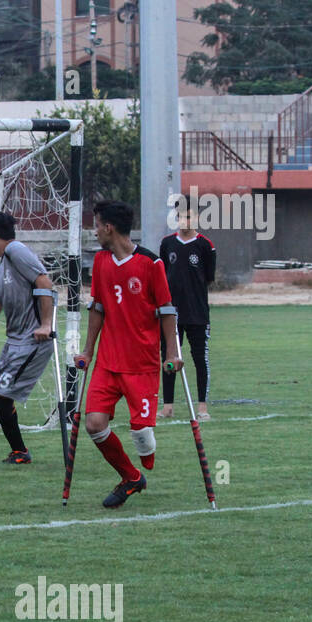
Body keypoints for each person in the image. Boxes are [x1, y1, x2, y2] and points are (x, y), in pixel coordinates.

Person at [75, 200, 182, 509]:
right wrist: (88, 351)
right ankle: (130, 477)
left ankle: (140, 468)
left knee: (144, 439)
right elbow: (98, 307)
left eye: (96, 225)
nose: (94, 232)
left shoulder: (151, 264)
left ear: (109, 227)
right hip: (108, 362)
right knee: (94, 424)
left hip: (142, 364)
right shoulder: (100, 262)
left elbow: (166, 311)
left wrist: (172, 353)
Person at [0, 211, 57, 464]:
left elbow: (44, 282)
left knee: (0, 397)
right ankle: (19, 452)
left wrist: (46, 325)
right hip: (14, 342)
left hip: (33, 341)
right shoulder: (3, 263)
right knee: (0, 397)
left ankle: (21, 452)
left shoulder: (17, 251)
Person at [159, 210, 215, 421]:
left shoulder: (205, 245)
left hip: (198, 312)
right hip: (171, 312)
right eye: (181, 217)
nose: (185, 221)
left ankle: (202, 407)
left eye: (189, 217)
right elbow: (162, 275)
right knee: (169, 357)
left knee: (200, 358)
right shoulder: (167, 244)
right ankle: (168, 407)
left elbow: (209, 278)